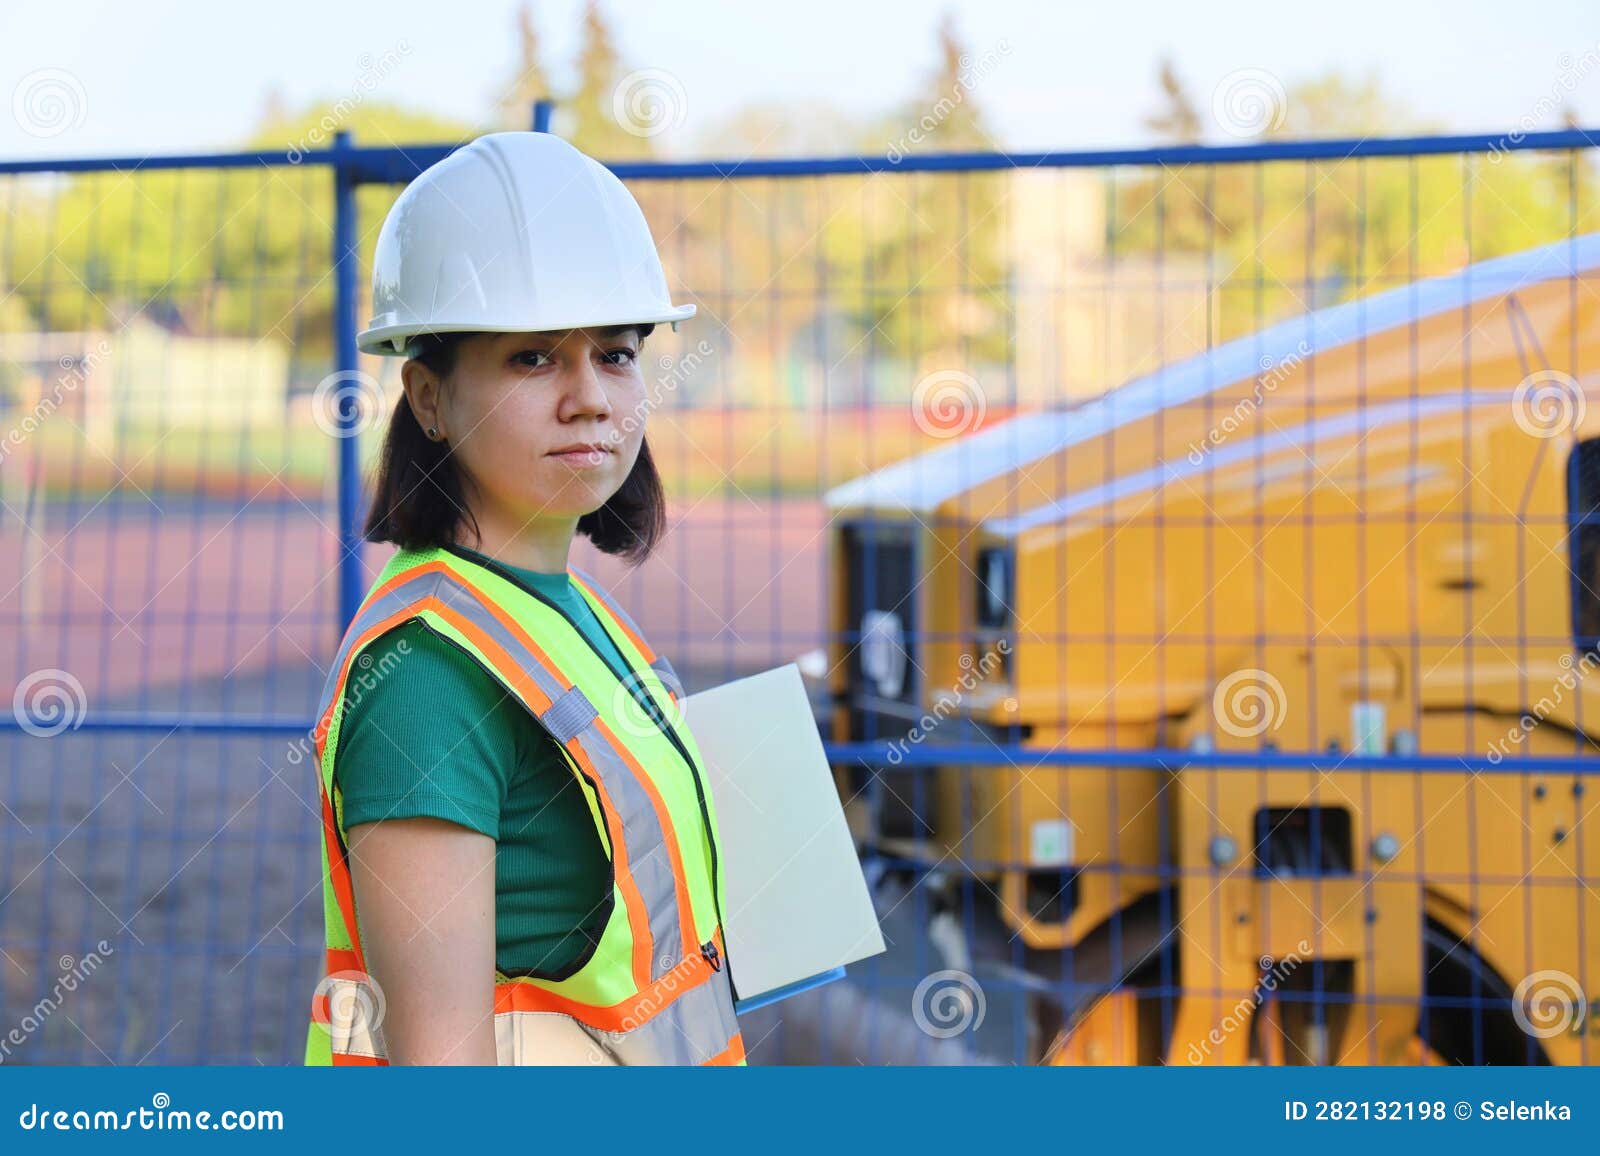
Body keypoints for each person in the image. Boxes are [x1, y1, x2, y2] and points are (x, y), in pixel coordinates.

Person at [303, 131, 742, 1067]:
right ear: (427, 397)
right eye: (534, 358)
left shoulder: (565, 612)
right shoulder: (424, 677)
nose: (591, 397)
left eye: (617, 354)